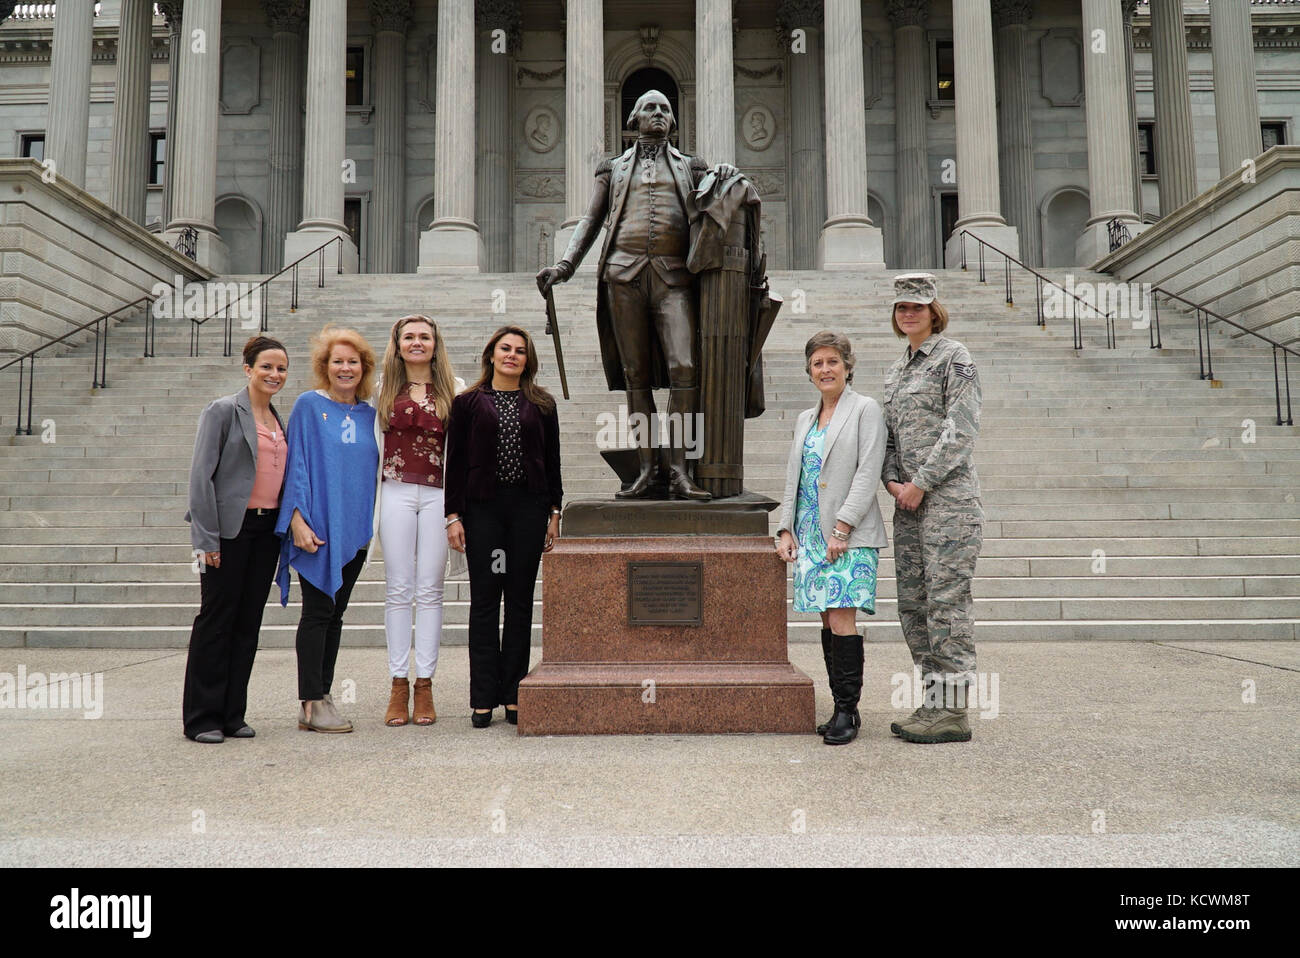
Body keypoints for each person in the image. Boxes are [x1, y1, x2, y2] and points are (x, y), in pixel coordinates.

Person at [536, 89, 738, 500]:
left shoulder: (692, 166)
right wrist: (565, 266)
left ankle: (680, 470)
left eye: (665, 109)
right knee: (636, 376)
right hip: (622, 275)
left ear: (674, 122)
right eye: (650, 108)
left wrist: (729, 176)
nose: (659, 114)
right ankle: (647, 469)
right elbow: (592, 220)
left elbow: (717, 205)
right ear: (634, 118)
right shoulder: (612, 168)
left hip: (674, 278)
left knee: (684, 368)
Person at [881, 272, 983, 745]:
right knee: (915, 606)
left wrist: (920, 483)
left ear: (933, 311)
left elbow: (961, 428)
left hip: (948, 504)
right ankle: (932, 701)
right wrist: (892, 481)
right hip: (908, 507)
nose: (909, 314)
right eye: (902, 307)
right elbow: (888, 440)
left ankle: (954, 710)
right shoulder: (896, 370)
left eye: (917, 307)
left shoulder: (953, 357)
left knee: (946, 603)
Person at [445, 326, 562, 728]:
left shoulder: (542, 404)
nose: (512, 355)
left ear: (528, 360)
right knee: (484, 602)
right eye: (505, 349)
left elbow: (553, 460)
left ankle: (513, 694)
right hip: (484, 512)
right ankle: (482, 697)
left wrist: (554, 511)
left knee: (519, 602)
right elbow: (455, 464)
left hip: (527, 511)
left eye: (520, 351)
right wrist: (453, 516)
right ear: (491, 355)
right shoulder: (468, 403)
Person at [776, 331, 889, 745]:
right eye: (818, 363)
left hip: (848, 535)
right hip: (810, 534)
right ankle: (841, 706)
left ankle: (847, 711)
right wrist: (786, 528)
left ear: (847, 367)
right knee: (826, 617)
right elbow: (796, 477)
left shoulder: (865, 409)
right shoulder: (807, 419)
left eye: (833, 362)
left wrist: (842, 526)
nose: (825, 369)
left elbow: (868, 470)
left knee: (842, 618)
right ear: (809, 372)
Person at [182, 336, 289, 743]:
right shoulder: (223, 411)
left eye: (280, 368)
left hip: (266, 532)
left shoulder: (279, 419)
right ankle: (202, 718)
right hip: (229, 532)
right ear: (248, 369)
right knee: (217, 621)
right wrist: (206, 539)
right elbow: (200, 477)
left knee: (248, 622)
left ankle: (232, 714)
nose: (274, 375)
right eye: (266, 367)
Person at [275, 327, 380, 733]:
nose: (345, 367)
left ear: (363, 367)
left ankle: (323, 694)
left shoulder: (370, 415)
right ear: (325, 366)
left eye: (353, 361)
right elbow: (295, 465)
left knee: (336, 615)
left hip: (355, 532)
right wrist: (296, 521)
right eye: (337, 361)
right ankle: (310, 701)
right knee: (318, 613)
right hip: (316, 528)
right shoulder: (307, 406)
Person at [374, 315, 465, 727]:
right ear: (396, 344)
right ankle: (397, 684)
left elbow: (463, 455)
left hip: (437, 493)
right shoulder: (380, 390)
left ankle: (424, 684)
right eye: (408, 337)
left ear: (435, 343)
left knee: (430, 589)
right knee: (398, 588)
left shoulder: (455, 390)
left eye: (424, 337)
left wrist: (456, 512)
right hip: (393, 488)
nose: (416, 343)